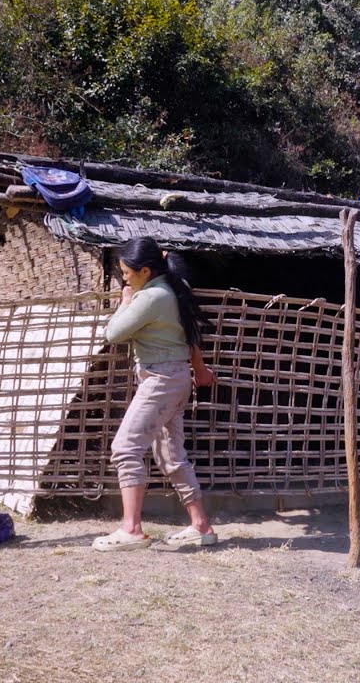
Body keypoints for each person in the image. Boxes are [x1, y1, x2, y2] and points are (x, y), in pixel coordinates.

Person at [92, 237, 219, 552]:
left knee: (125, 448)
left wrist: (125, 302)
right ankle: (201, 526)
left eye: (127, 273)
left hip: (160, 380)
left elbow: (114, 334)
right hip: (175, 379)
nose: (124, 278)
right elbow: (192, 336)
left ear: (145, 270)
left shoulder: (151, 297)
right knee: (171, 457)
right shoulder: (175, 288)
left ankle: (131, 530)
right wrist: (200, 369)